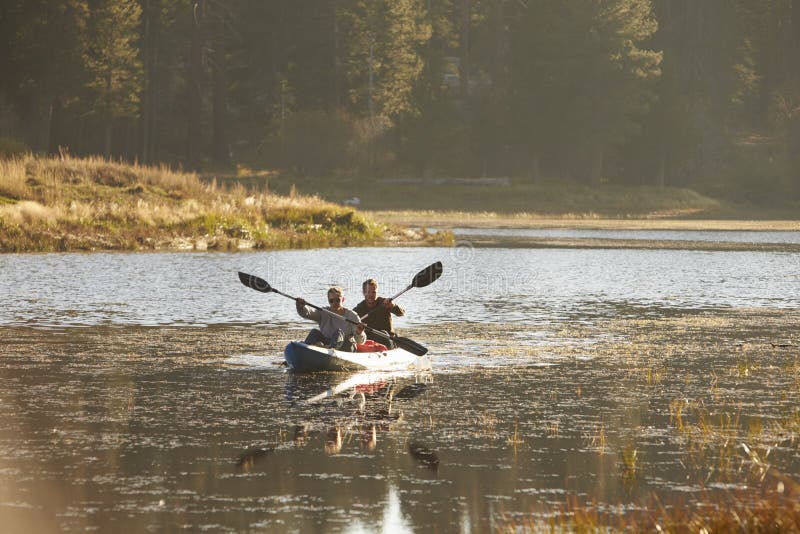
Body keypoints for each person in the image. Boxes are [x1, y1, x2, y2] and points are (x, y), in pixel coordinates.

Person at [296, 286, 366, 352]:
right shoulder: (323, 312)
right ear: (328, 301)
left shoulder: (352, 315)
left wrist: (359, 332)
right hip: (327, 342)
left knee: (338, 332)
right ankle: (304, 352)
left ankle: (328, 349)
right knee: (314, 332)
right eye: (331, 301)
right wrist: (301, 307)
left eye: (337, 300)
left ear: (343, 299)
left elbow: (360, 342)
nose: (334, 303)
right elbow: (308, 313)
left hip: (346, 346)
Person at [353, 278, 405, 343]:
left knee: (383, 333)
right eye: (368, 292)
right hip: (369, 341)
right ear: (363, 293)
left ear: (377, 292)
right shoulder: (359, 308)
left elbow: (401, 313)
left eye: (374, 292)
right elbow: (350, 321)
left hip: (388, 338)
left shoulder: (385, 303)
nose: (371, 295)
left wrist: (392, 306)